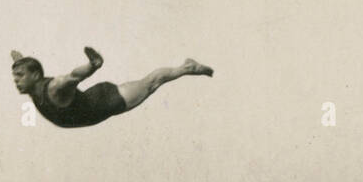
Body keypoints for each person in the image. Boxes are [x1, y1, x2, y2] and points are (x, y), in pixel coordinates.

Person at [11, 47, 213, 128]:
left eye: (20, 75)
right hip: (92, 98)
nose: (15, 80)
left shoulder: (54, 88)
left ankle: (187, 67)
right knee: (151, 83)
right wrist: (20, 61)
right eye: (15, 75)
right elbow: (31, 71)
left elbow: (73, 77)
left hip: (107, 101)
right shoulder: (34, 85)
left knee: (152, 82)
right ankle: (187, 67)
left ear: (35, 75)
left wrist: (93, 65)